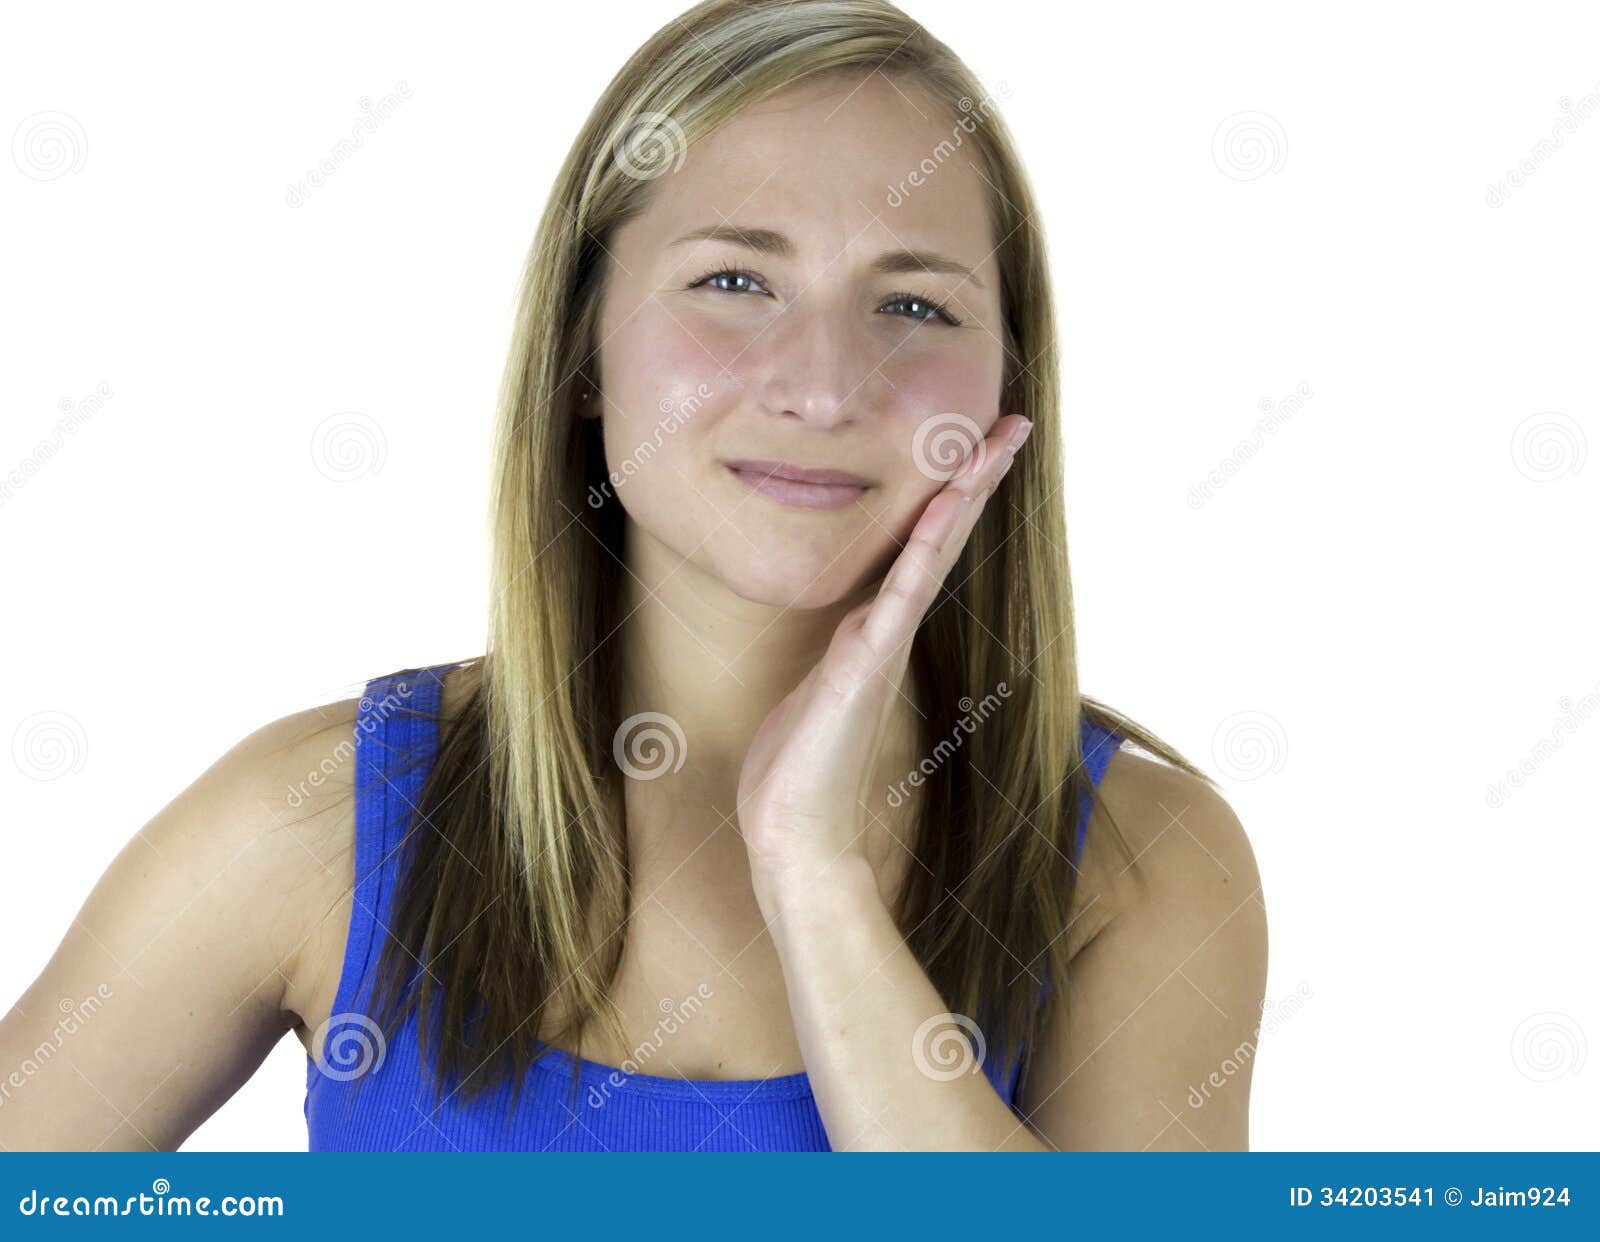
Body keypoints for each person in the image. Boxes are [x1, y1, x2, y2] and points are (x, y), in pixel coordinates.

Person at [0, 0, 1267, 1152]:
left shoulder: (1142, 864)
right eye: (733, 280)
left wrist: (813, 880)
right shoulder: (316, 823)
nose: (824, 386)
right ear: (584, 355)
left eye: (915, 307)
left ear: (1008, 381)